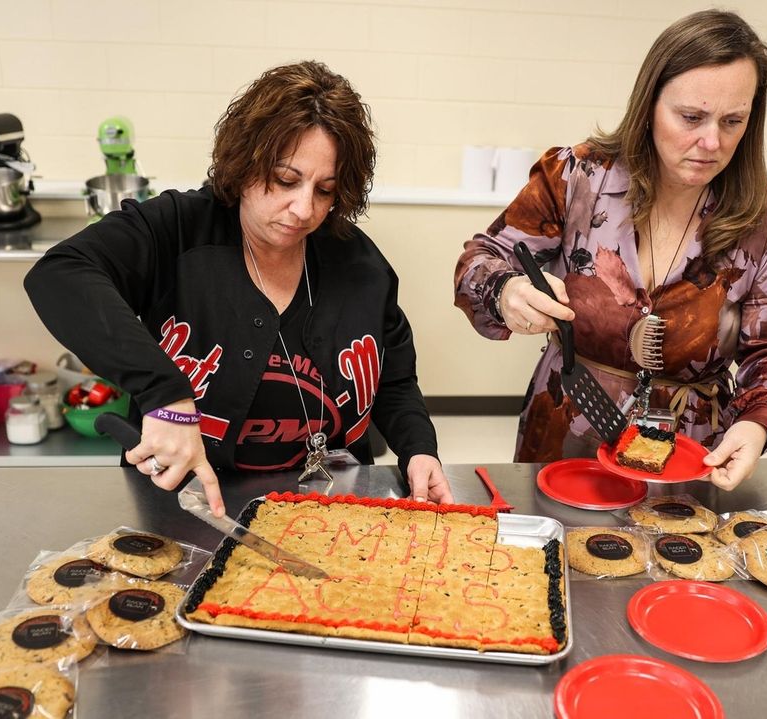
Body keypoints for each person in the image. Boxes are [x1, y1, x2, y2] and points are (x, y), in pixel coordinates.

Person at [26, 61, 452, 515]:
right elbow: (60, 274)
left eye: (325, 190)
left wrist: (418, 449)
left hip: (330, 509)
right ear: (245, 162)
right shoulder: (178, 229)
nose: (303, 209)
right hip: (192, 504)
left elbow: (394, 378)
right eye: (286, 180)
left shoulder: (360, 265)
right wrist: (164, 394)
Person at [454, 10, 767, 490]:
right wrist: (504, 290)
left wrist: (757, 423)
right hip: (567, 428)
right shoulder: (579, 177)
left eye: (733, 121)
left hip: (690, 453)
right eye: (691, 117)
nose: (712, 142)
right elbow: (480, 259)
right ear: (648, 105)